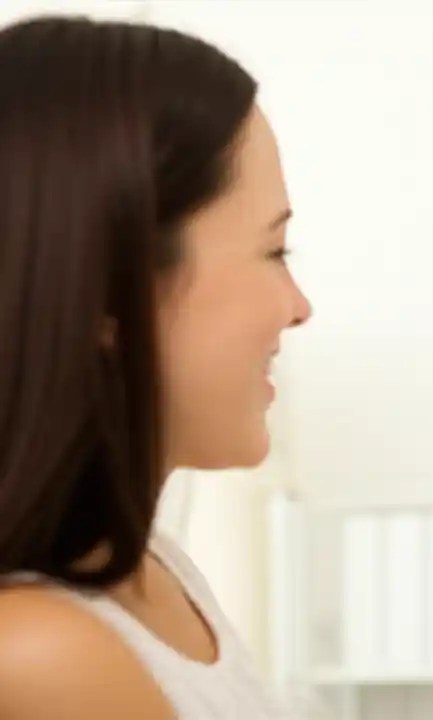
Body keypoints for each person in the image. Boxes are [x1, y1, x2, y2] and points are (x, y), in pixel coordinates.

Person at [0, 15, 311, 719]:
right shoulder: (44, 660)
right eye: (275, 251)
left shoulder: (155, 570)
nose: (298, 307)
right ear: (114, 289)